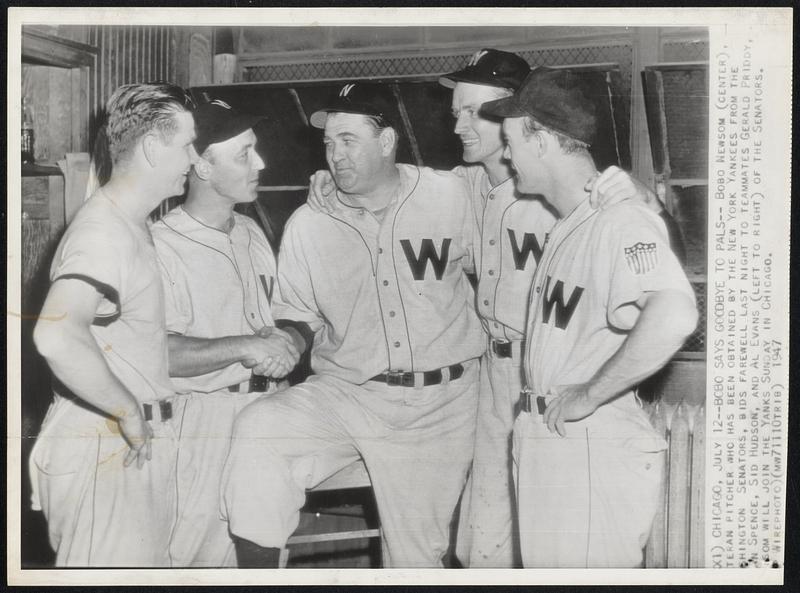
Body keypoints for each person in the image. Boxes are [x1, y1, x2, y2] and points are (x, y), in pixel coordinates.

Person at [307, 49, 674, 568]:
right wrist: (334, 179)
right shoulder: (469, 185)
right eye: (456, 111)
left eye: (473, 112)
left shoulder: (571, 191)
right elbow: (396, 182)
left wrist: (648, 200)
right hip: (494, 376)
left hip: (558, 373)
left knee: (565, 544)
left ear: (517, 116)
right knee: (485, 542)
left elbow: (659, 272)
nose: (458, 125)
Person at [222, 82, 486, 568]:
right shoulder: (309, 222)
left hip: (441, 404)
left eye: (348, 140)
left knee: (414, 560)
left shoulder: (452, 194)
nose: (335, 155)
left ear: (386, 142)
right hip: (349, 394)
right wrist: (287, 340)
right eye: (329, 143)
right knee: (260, 429)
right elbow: (298, 312)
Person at [481, 66, 698, 567]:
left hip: (587, 444)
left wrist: (590, 393)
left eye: (511, 141)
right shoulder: (571, 224)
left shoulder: (617, 219)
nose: (506, 155)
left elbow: (675, 312)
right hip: (553, 439)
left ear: (542, 140)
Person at [30, 82, 196, 566]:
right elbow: (55, 334)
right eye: (187, 144)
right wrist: (127, 411)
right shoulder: (103, 231)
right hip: (104, 446)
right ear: (152, 148)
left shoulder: (128, 222)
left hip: (122, 445)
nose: (193, 159)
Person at [150, 99, 301, 567]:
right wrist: (247, 346)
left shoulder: (250, 230)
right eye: (243, 154)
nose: (261, 163)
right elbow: (158, 354)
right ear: (201, 166)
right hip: (204, 425)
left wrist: (283, 342)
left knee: (263, 561)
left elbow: (271, 320)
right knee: (193, 563)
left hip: (268, 414)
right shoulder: (160, 245)